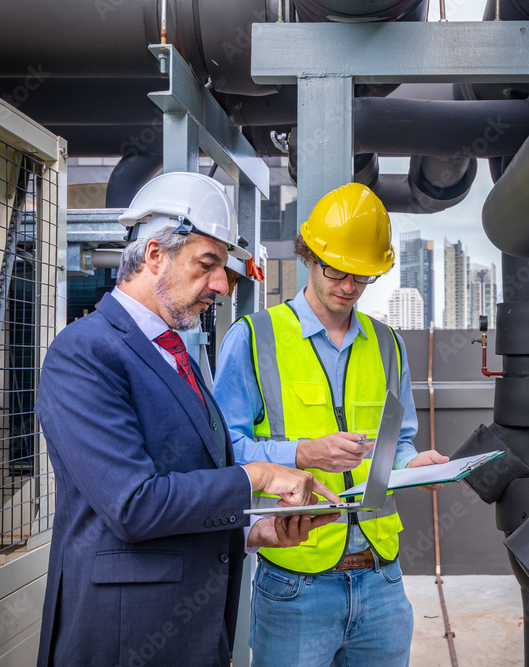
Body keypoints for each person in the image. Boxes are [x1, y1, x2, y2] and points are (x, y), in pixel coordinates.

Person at [34, 171, 340, 667]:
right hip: (125, 637)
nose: (221, 284)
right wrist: (257, 476)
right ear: (155, 255)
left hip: (192, 635)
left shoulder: (177, 352)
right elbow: (133, 505)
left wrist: (248, 530)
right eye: (208, 264)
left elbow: (185, 482)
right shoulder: (85, 353)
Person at [213, 182, 449, 666]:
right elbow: (222, 453)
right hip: (295, 584)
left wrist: (415, 464)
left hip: (382, 579)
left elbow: (398, 442)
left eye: (361, 276)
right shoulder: (254, 338)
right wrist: (302, 454)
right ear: (310, 254)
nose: (347, 285)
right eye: (335, 269)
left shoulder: (389, 345)